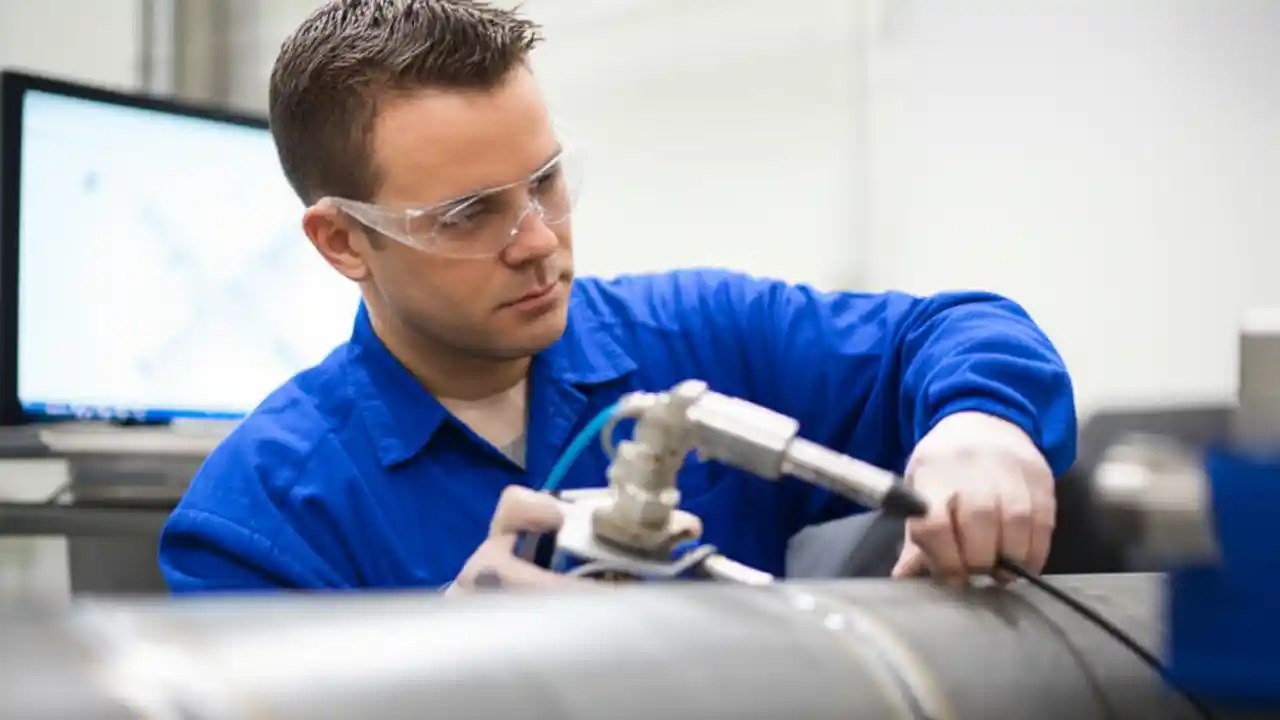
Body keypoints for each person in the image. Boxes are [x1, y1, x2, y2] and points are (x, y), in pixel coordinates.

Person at [158, 0, 1076, 594]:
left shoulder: (700, 340)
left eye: (547, 181)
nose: (540, 242)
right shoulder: (260, 521)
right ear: (343, 241)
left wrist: (980, 425)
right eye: (471, 213)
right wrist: (436, 673)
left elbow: (952, 329)